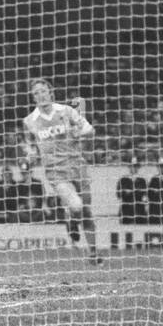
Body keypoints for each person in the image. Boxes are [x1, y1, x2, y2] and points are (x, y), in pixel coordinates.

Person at [22, 78, 102, 263]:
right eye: (36, 93)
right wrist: (30, 157)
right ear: (32, 97)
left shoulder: (66, 111)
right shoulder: (30, 121)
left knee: (86, 211)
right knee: (76, 205)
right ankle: (72, 216)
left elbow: (90, 129)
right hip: (55, 172)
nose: (40, 95)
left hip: (77, 166)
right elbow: (30, 148)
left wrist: (78, 132)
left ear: (51, 92)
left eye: (43, 91)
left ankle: (93, 252)